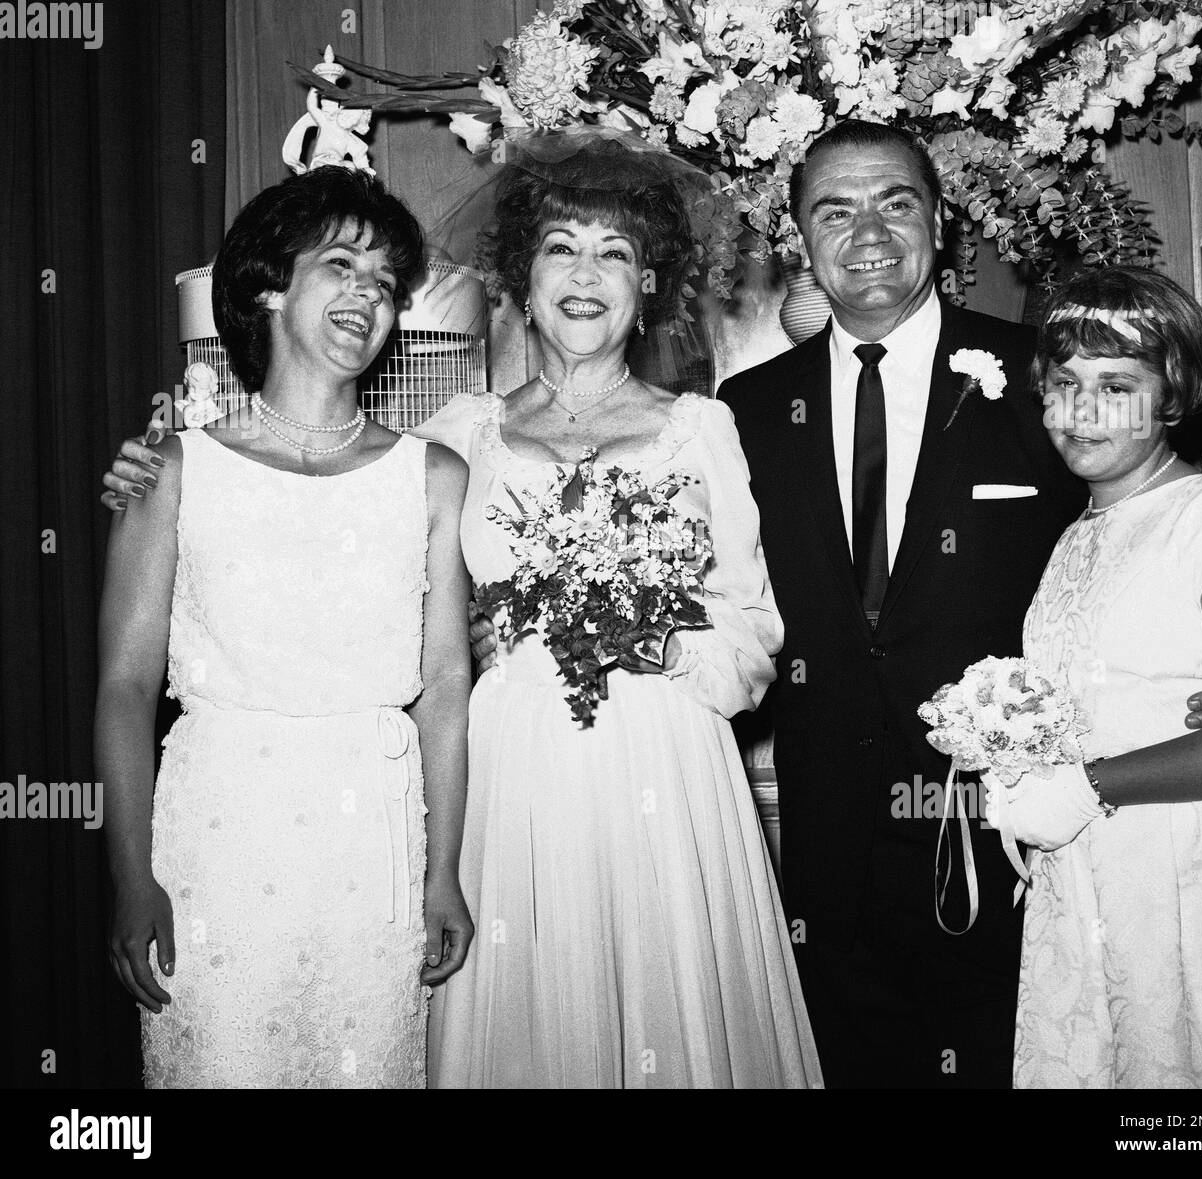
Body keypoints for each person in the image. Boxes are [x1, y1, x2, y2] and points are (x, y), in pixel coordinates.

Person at [103, 134, 822, 1089]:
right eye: (561, 246)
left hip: (663, 769)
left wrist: (666, 645)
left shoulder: (703, 428)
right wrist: (152, 466)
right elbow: (390, 613)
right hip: (507, 775)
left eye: (615, 253)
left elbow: (755, 631)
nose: (585, 274)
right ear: (522, 278)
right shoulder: (457, 441)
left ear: (649, 285)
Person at [712, 120, 1202, 1089]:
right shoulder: (740, 414)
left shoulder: (1047, 376)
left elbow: (1159, 532)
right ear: (797, 238)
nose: (867, 232)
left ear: (942, 223)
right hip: (822, 869)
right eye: (835, 210)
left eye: (895, 203)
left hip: (1013, 847)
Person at [95, 165, 473, 1088]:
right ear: (268, 284)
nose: (368, 295)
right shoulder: (173, 468)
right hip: (219, 840)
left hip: (372, 850)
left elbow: (448, 688)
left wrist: (443, 874)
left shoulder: (434, 475)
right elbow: (125, 686)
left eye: (385, 283)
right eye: (341, 265)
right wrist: (132, 875)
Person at [982, 268, 1202, 1089]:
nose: (1083, 411)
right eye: (1064, 384)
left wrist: (1086, 783)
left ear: (1174, 395)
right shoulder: (1075, 534)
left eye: (1116, 385)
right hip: (1102, 871)